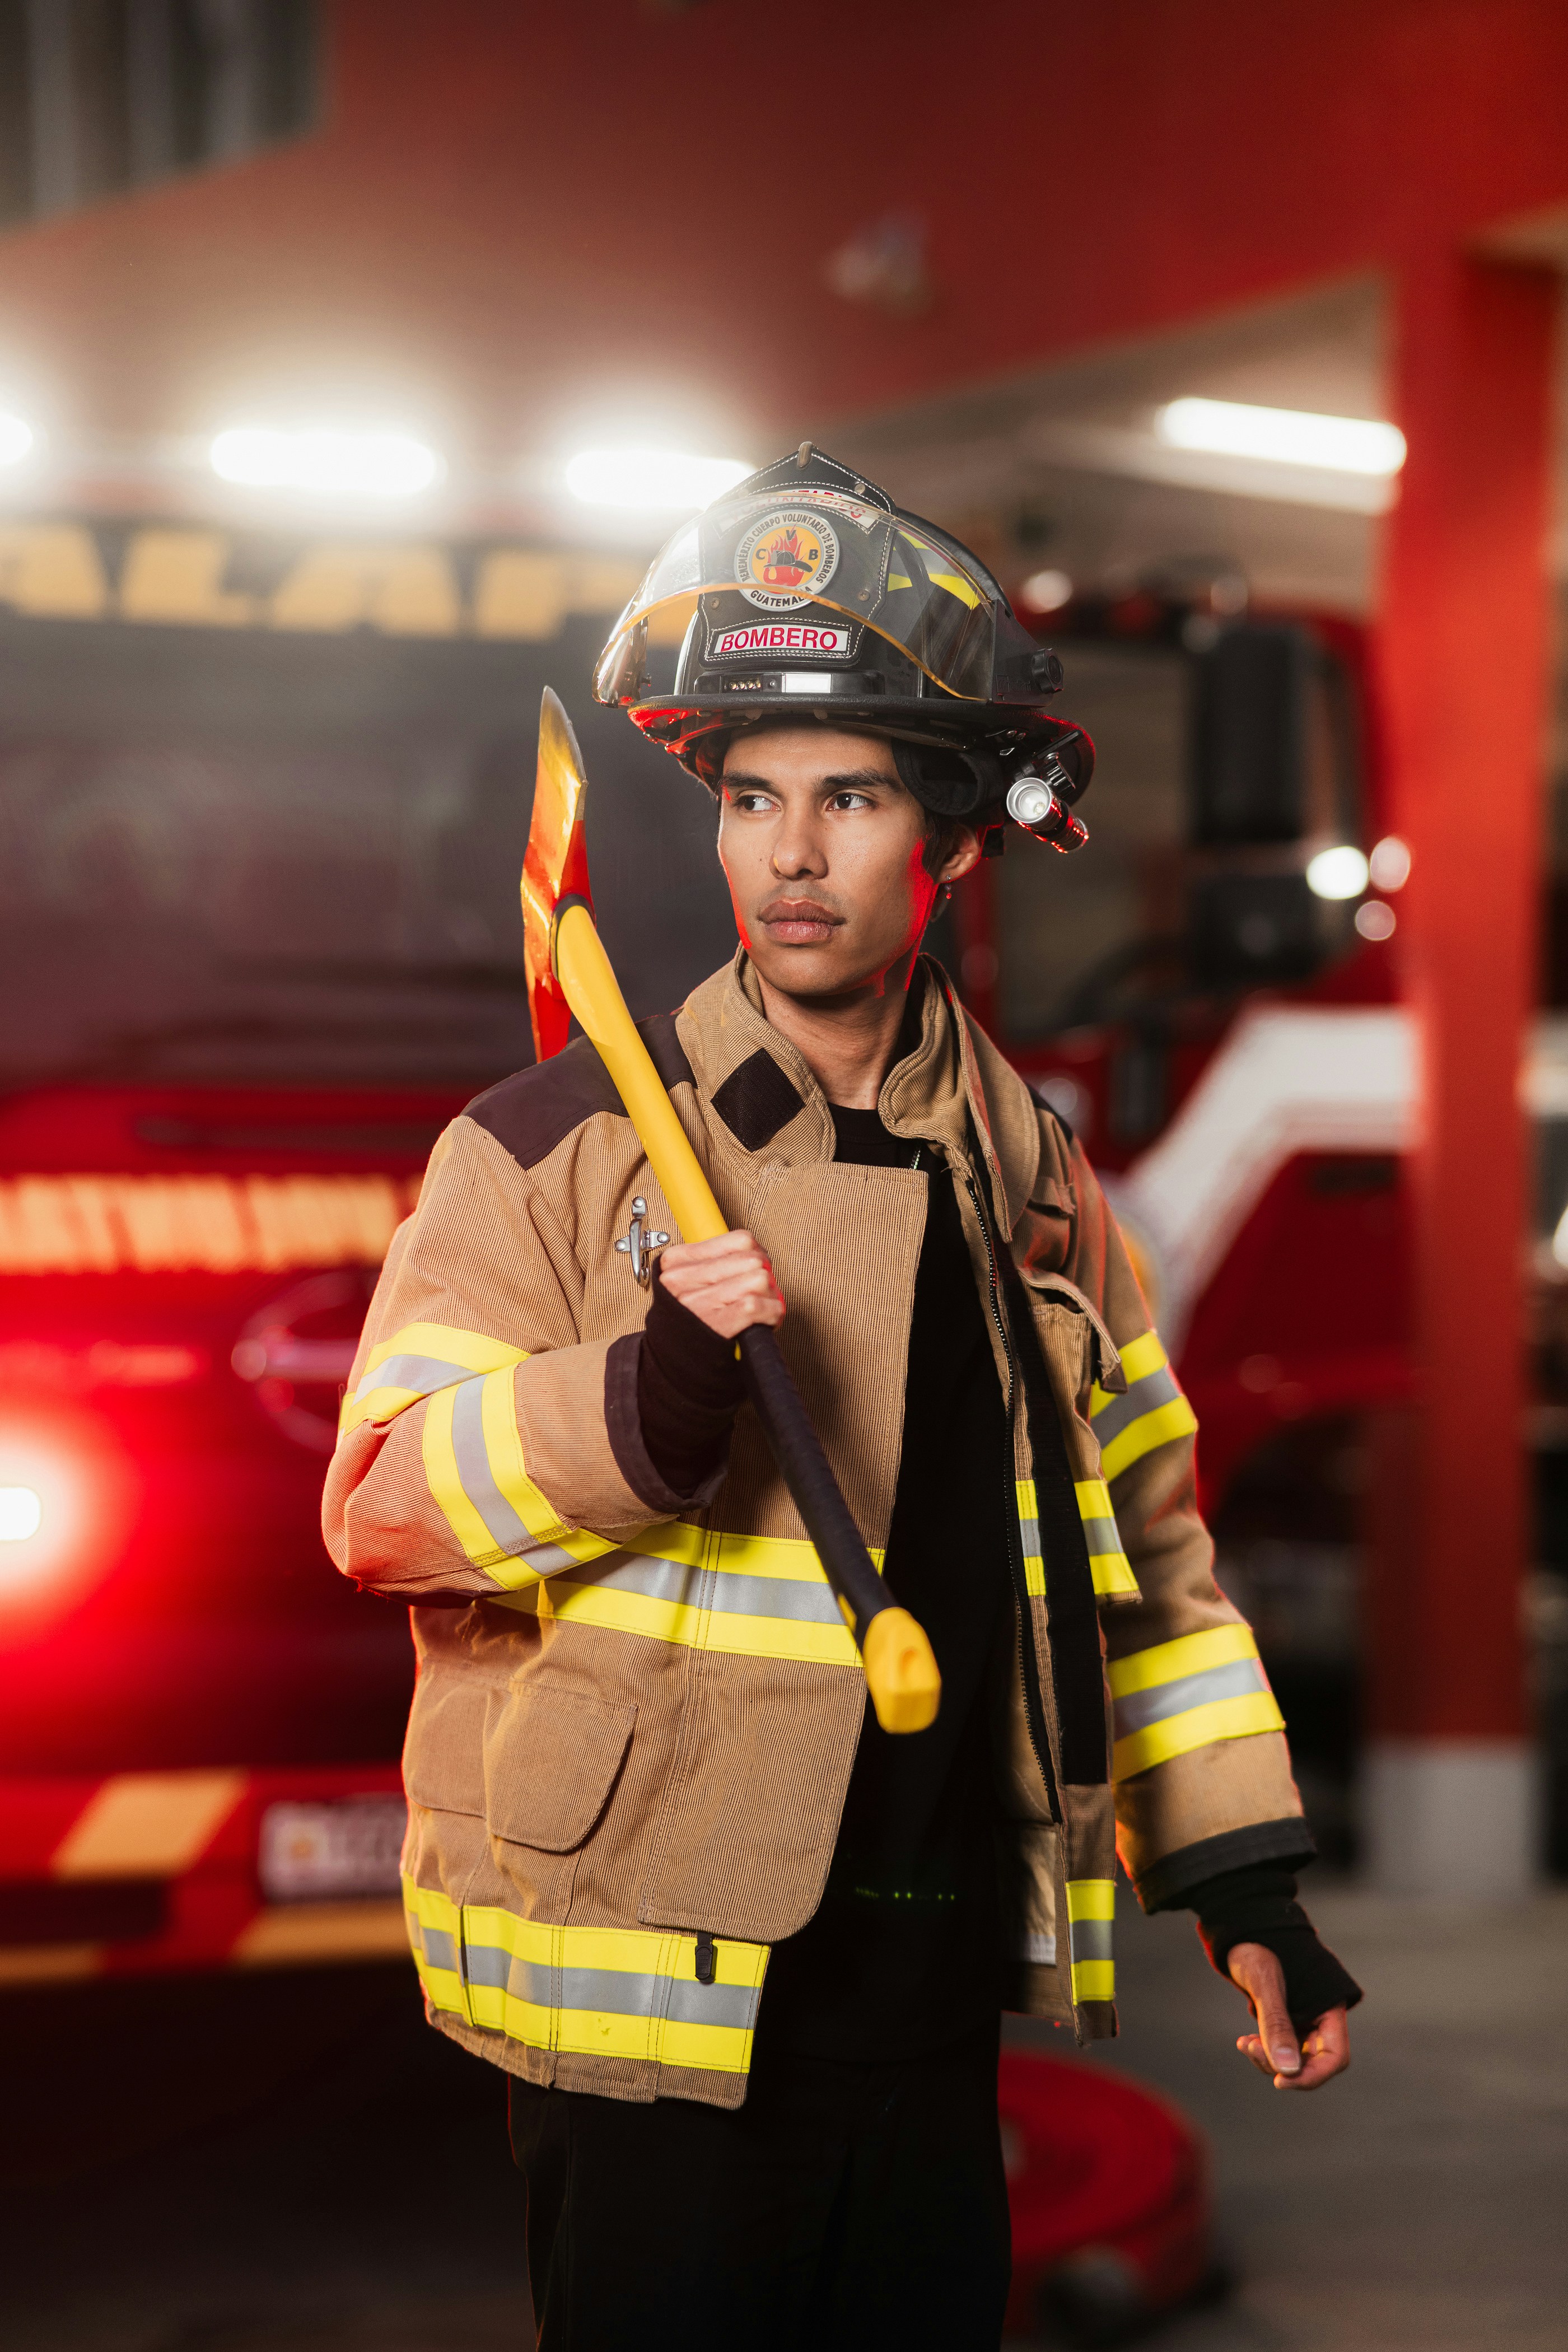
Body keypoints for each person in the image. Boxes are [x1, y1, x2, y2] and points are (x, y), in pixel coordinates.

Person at [323, 445, 1360, 2350]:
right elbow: (383, 1498)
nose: (791, 856)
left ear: (953, 835)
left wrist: (1241, 1881)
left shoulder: (1041, 1189)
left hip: (930, 1991)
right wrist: (643, 1404)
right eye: (750, 799)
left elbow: (1155, 1569)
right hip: (651, 2023)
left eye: (855, 796)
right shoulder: (552, 1155)